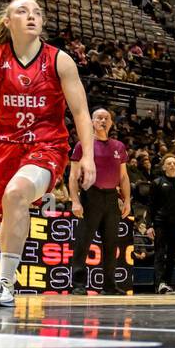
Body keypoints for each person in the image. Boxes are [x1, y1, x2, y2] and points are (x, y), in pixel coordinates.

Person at [0, 0, 94, 307]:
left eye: (37, 13)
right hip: (3, 148)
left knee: (17, 193)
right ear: (8, 21)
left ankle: (6, 282)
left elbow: (81, 113)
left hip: (47, 146)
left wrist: (87, 156)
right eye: (23, 11)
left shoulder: (60, 60)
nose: (32, 16)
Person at [68, 108, 130, 296]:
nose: (103, 121)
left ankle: (109, 285)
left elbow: (124, 177)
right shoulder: (83, 146)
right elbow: (73, 176)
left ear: (111, 123)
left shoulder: (119, 146)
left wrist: (127, 200)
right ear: (92, 122)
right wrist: (76, 201)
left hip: (112, 198)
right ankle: (79, 285)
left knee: (111, 244)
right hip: (90, 196)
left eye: (106, 118)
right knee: (83, 243)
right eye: (99, 118)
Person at [147, 154, 175, 295]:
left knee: (172, 255)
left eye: (174, 163)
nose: (172, 165)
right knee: (160, 254)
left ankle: (166, 283)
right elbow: (151, 206)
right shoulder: (157, 183)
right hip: (160, 224)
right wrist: (149, 225)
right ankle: (159, 284)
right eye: (169, 163)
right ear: (164, 167)